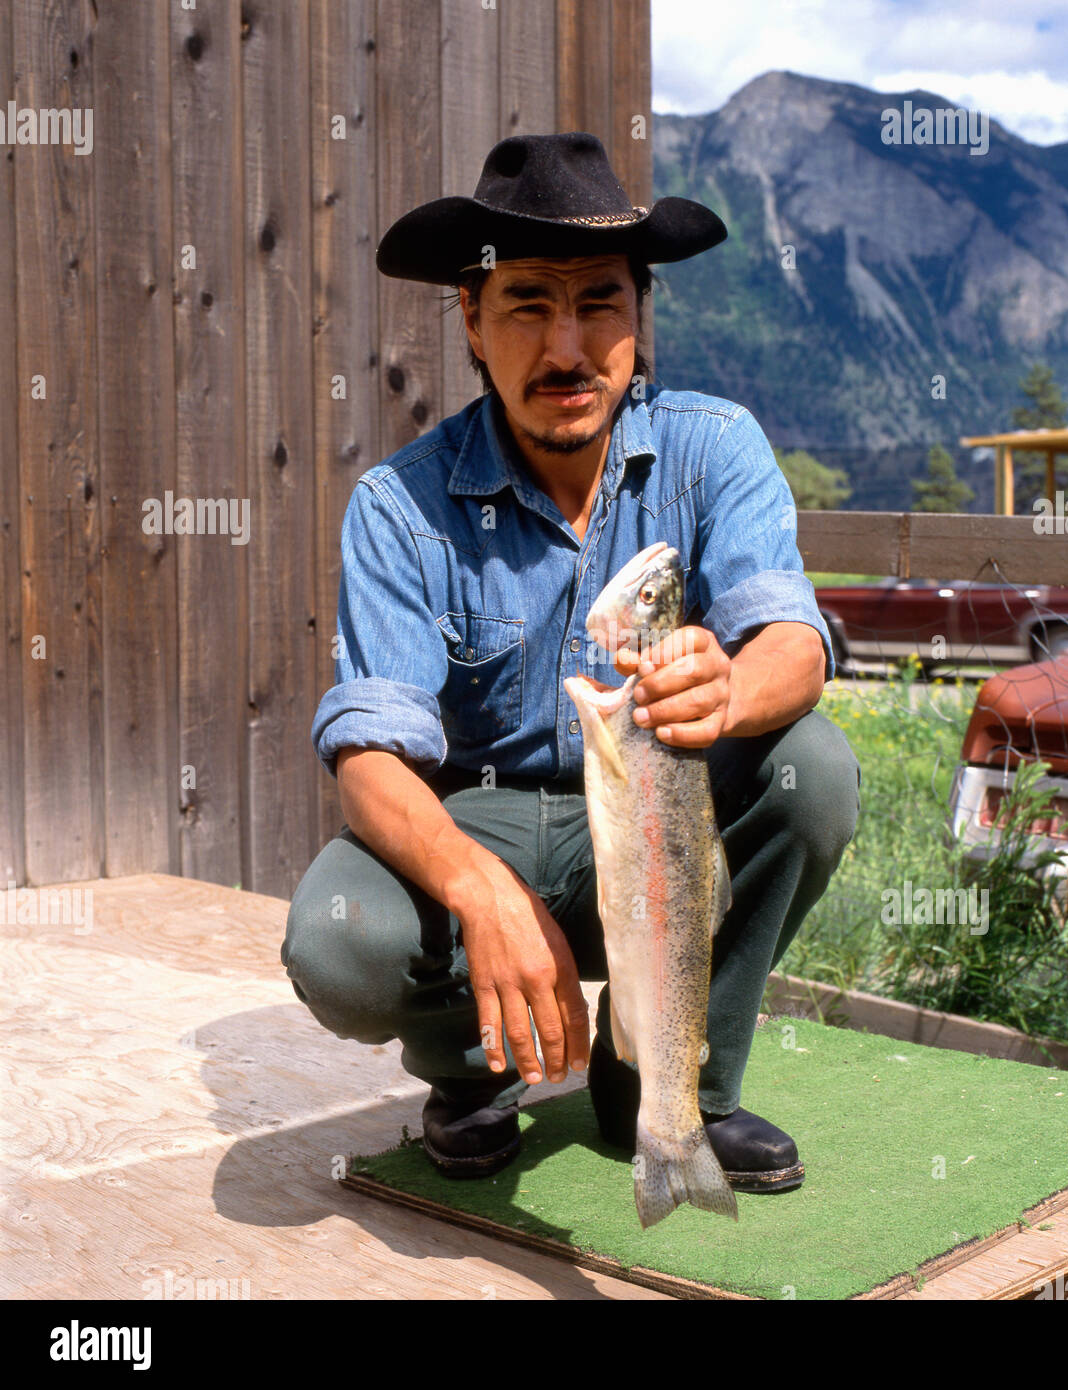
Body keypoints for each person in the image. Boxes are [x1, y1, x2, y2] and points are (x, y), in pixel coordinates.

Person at [282, 132, 861, 1194]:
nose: (567, 346)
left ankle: (672, 1085)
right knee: (338, 937)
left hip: (658, 816)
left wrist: (731, 688)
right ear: (470, 318)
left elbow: (794, 642)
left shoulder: (713, 447)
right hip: (485, 814)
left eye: (599, 302)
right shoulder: (398, 506)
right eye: (528, 304)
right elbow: (366, 758)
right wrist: (482, 891)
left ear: (638, 314)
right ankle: (474, 1073)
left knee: (810, 770)